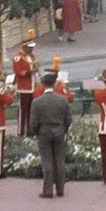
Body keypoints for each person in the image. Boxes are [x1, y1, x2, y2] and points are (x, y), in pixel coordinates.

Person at [28, 68, 72, 198]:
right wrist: (63, 129)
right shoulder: (62, 100)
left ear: (43, 85)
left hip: (44, 131)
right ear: (54, 84)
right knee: (60, 161)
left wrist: (36, 132)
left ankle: (47, 190)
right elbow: (68, 118)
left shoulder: (36, 102)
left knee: (46, 161)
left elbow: (33, 122)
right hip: (59, 130)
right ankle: (60, 189)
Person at [12, 29, 38, 137]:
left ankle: (30, 130)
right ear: (25, 47)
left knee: (31, 111)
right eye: (30, 47)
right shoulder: (18, 58)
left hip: (32, 87)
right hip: (24, 88)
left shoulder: (31, 56)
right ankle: (21, 132)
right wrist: (30, 72)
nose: (32, 48)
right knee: (23, 111)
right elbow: (18, 72)